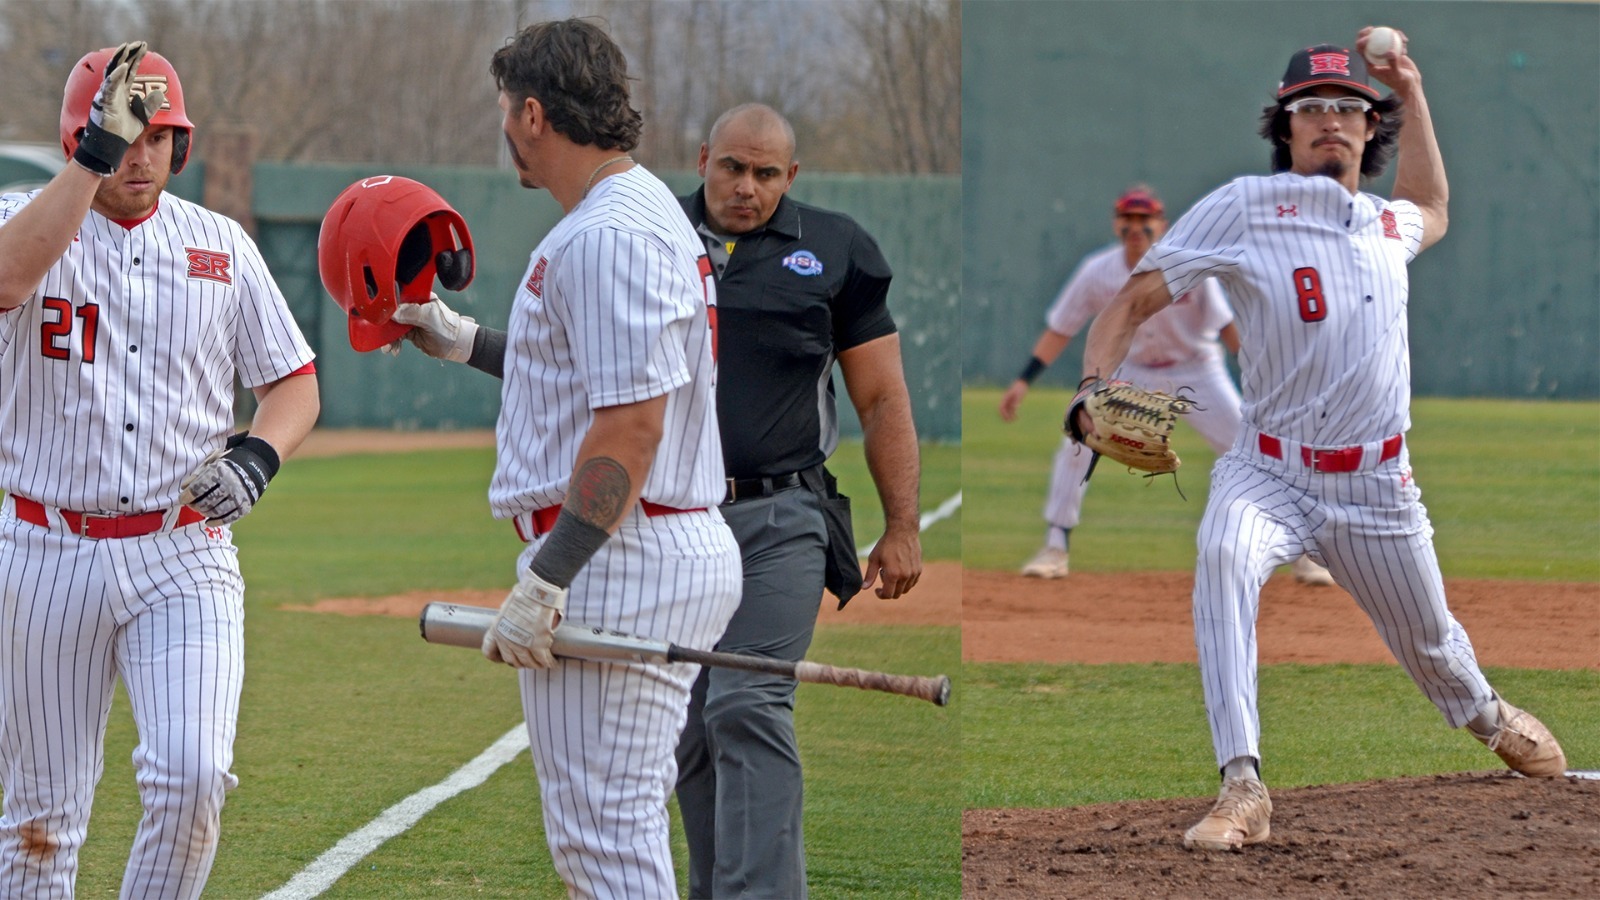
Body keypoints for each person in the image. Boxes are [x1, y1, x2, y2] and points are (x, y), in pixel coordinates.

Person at [1074, 31, 1567, 852]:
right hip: (1267, 469)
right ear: (1287, 126)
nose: (1331, 120)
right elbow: (1131, 302)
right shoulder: (1242, 207)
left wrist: (1411, 85)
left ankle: (1484, 712)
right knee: (1224, 557)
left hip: (1377, 488)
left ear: (1372, 128)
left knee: (1433, 645)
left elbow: (1435, 205)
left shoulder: (1384, 223)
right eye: (1313, 109)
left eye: (1349, 107)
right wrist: (1093, 388)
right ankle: (1242, 784)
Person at [379, 19, 742, 896]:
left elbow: (630, 429)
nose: (505, 128)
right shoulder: (636, 208)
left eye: (507, 110)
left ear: (533, 112)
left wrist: (547, 580)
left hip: (623, 553)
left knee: (604, 844)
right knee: (616, 831)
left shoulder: (604, 235)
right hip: (649, 545)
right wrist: (467, 342)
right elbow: (585, 370)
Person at [0, 42, 319, 896]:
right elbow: (6, 277)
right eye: (122, 136)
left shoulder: (219, 244)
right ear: (81, 138)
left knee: (192, 776)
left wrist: (258, 453)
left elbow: (292, 381)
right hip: (44, 549)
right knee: (41, 819)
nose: (140, 156)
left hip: (185, 546)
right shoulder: (21, 215)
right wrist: (92, 153)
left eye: (158, 135)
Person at [672, 103, 923, 899]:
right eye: (732, 168)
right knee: (689, 730)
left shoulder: (836, 248)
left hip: (782, 519)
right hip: (675, 524)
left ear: (792, 177)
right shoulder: (652, 236)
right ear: (704, 157)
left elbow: (882, 398)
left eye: (766, 174)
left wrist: (903, 525)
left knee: (747, 702)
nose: (746, 188)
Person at [1002, 187, 1333, 585]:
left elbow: (1227, 328)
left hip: (1197, 371)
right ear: (1116, 224)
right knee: (1078, 439)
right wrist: (1023, 381)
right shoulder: (1097, 271)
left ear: (1162, 225)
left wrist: (1262, 379)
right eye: (1128, 218)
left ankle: (1302, 550)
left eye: (1146, 219)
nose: (1136, 226)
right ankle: (1055, 545)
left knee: (1253, 446)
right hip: (1132, 373)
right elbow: (1062, 328)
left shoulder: (1187, 267)